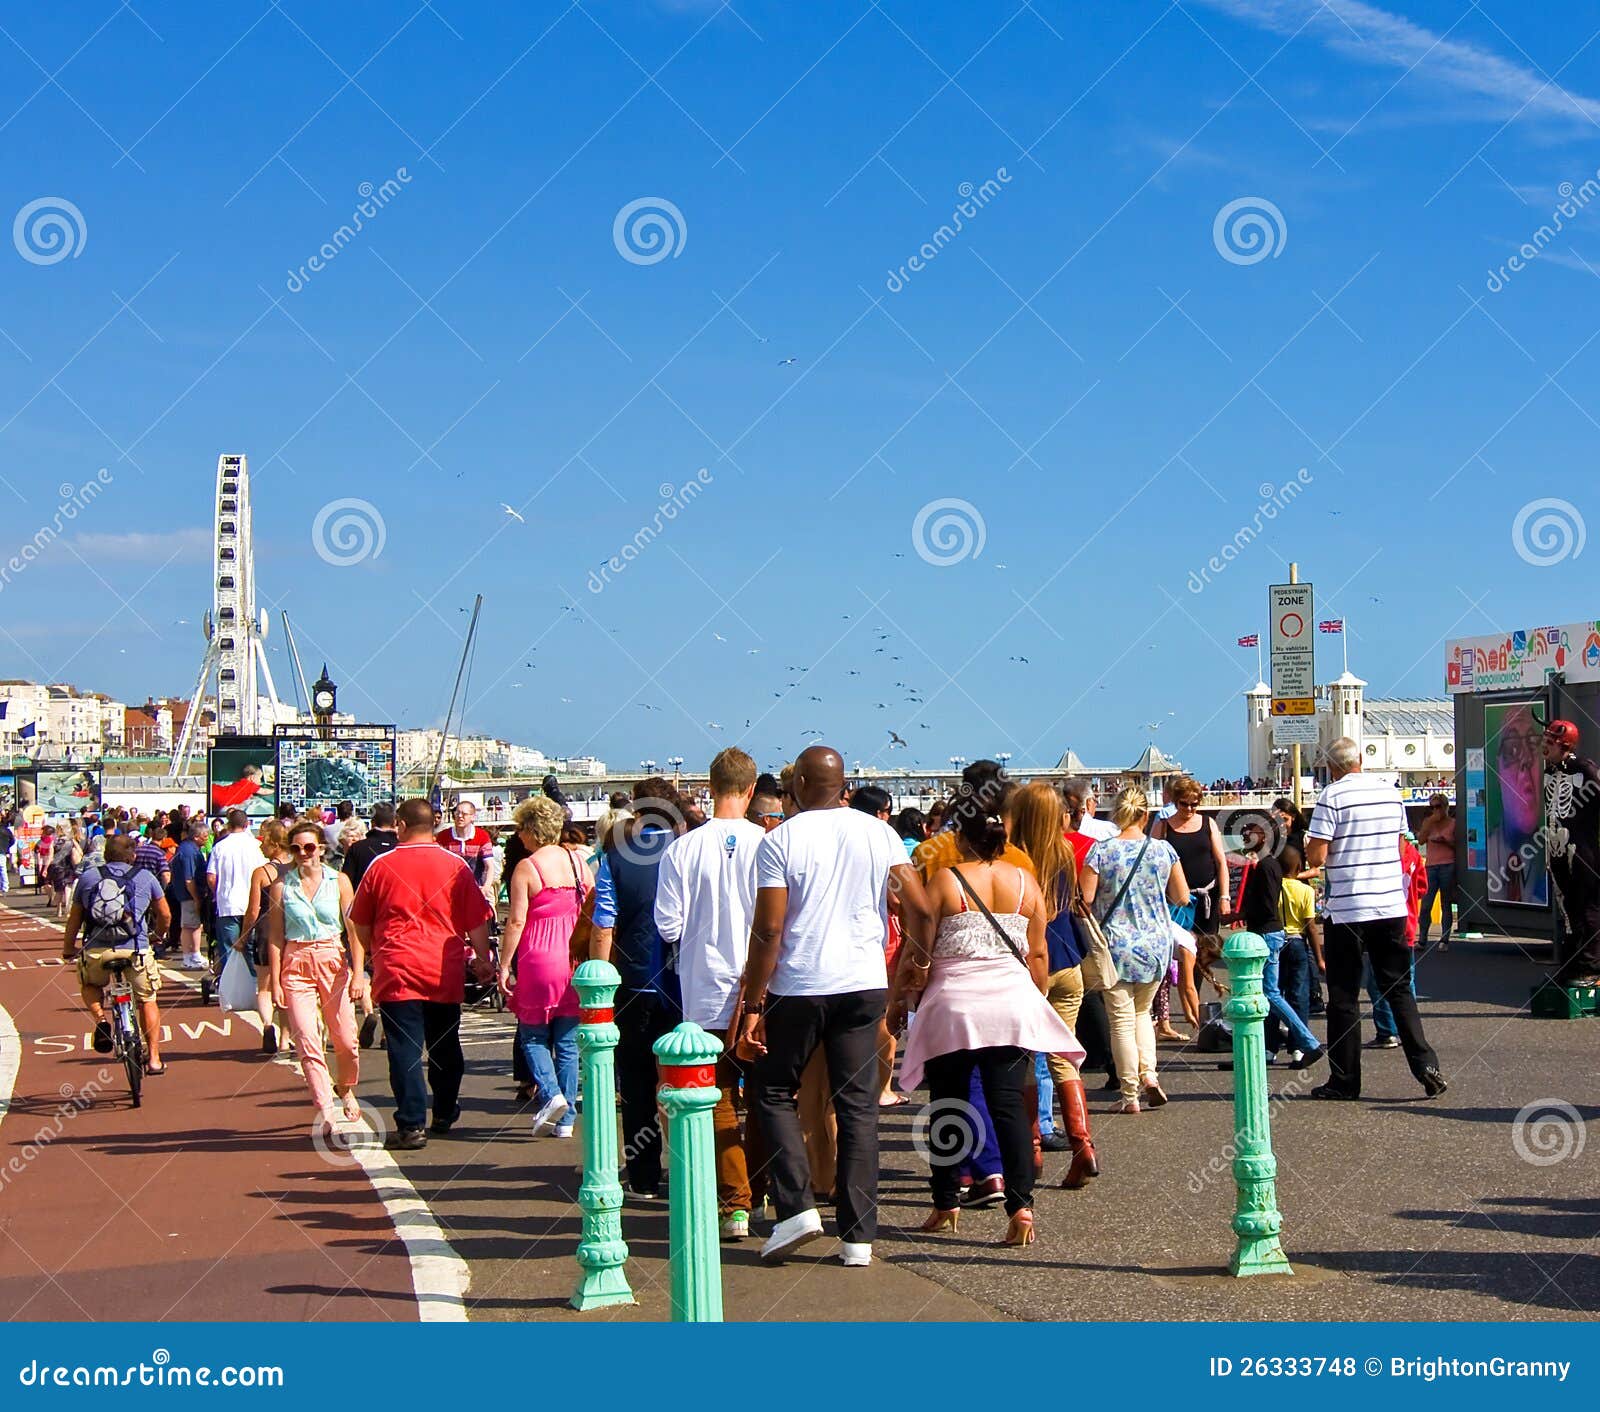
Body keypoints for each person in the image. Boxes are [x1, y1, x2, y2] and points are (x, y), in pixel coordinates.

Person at [738, 745, 932, 1269]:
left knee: (772, 1090)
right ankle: (858, 1237)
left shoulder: (780, 840)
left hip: (799, 985)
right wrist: (914, 965)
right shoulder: (879, 833)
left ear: (799, 784)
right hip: (863, 984)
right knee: (857, 1106)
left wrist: (753, 1003)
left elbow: (769, 929)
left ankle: (796, 1207)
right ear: (843, 785)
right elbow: (918, 907)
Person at [891, 773, 1083, 1247]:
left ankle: (946, 1203)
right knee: (1008, 1106)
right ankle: (1021, 1208)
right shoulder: (1025, 882)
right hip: (1011, 1002)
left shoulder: (946, 880)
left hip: (953, 1005)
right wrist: (1034, 997)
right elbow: (1038, 953)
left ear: (963, 837)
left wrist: (905, 995)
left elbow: (922, 946)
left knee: (948, 1103)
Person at [653, 748, 765, 1240]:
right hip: (761, 986)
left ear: (709, 786)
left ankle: (735, 1200)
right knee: (766, 1095)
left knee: (716, 1094)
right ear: (752, 788)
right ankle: (762, 1190)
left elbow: (668, 925)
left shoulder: (682, 849)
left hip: (704, 986)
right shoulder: (770, 843)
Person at [346, 799, 496, 1149]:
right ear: (434, 824)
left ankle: (412, 1123)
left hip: (398, 967)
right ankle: (443, 1110)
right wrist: (483, 958)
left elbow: (360, 920)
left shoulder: (381, 866)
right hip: (442, 966)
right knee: (445, 1044)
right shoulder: (456, 866)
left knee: (405, 1049)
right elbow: (476, 918)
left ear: (400, 825)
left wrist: (372, 952)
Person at [1305, 737, 1447, 1101]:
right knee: (1398, 989)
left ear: (1331, 767)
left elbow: (1317, 857)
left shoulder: (1331, 796)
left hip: (1348, 909)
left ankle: (1345, 1080)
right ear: (1360, 761)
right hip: (1390, 906)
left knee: (1343, 997)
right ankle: (1425, 1065)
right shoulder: (1390, 793)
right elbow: (1399, 845)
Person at [590, 778, 683, 1198]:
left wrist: (598, 980)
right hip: (683, 983)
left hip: (634, 980)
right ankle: (692, 1167)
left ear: (638, 812)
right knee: (687, 1076)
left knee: (637, 1081)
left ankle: (644, 1175)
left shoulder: (616, 856)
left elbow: (603, 924)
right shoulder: (689, 848)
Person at [1003, 779, 1099, 1190]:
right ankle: (1083, 1146)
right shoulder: (1065, 852)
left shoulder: (1015, 859)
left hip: (1032, 965)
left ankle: (1034, 1152)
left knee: (1025, 1058)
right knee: (1064, 1057)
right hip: (1068, 963)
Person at [1079, 786, 1191, 1113]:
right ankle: (1150, 1075)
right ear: (1145, 815)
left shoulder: (1101, 852)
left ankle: (1130, 1095)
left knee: (1121, 1022)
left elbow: (1085, 900)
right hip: (1155, 944)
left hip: (1115, 946)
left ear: (1116, 813)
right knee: (1144, 1014)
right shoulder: (1163, 850)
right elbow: (1182, 896)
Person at [267, 819, 362, 1132]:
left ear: (321, 849)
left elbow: (354, 931)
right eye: (296, 849)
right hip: (296, 962)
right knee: (307, 1041)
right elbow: (275, 936)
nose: (303, 854)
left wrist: (359, 974)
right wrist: (275, 981)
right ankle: (325, 1110)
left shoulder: (339, 881)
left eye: (309, 847)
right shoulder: (282, 886)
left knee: (346, 1040)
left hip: (333, 959)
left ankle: (345, 1087)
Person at [501, 796, 585, 1138]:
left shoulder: (527, 867)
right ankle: (566, 1121)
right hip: (573, 958)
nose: (518, 834)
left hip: (538, 957)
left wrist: (504, 965)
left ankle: (551, 1095)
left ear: (532, 829)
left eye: (521, 828)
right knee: (567, 1042)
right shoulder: (578, 861)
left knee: (533, 1035)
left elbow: (516, 921)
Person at [60, 834, 170, 1073]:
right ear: (133, 856)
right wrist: (158, 936)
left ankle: (101, 1020)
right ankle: (154, 1059)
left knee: (90, 984)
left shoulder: (88, 878)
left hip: (97, 950)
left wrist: (68, 949)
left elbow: (74, 920)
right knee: (147, 1000)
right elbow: (165, 914)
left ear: (105, 855)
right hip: (135, 949)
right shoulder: (145, 877)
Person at [1232, 817, 1324, 1069]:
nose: (1245, 834)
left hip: (1266, 933)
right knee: (1268, 993)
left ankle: (1307, 1042)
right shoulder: (1267, 865)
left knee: (1270, 993)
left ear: (1265, 836)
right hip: (1270, 933)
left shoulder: (1266, 866)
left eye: (1251, 830)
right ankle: (1266, 1048)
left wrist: (1240, 914)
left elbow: (1267, 905)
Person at [1150, 775, 1229, 1016]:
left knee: (1204, 952)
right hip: (1175, 902)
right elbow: (1150, 862)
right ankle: (1169, 1007)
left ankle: (1194, 1001)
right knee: (1175, 952)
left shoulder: (1208, 824)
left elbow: (1221, 862)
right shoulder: (1164, 826)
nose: (1189, 809)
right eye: (1184, 804)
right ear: (1176, 802)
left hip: (1207, 898)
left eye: (1194, 804)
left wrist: (1225, 897)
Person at [1541, 720, 1600, 986]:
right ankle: (1572, 965)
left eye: (1549, 742)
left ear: (1564, 745)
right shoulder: (1549, 772)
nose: (1544, 746)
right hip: (1556, 849)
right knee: (1567, 910)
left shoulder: (1585, 769)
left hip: (1582, 850)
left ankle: (1592, 967)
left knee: (1588, 909)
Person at [239, 819, 292, 1054]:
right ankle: (285, 1039)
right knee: (287, 986)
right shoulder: (296, 870)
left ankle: (268, 1025)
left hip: (265, 930)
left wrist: (243, 937)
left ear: (274, 845)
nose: (261, 846)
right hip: (290, 930)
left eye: (264, 842)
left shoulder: (261, 873)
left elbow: (253, 910)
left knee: (264, 986)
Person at [207, 809, 264, 992]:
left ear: (229, 825)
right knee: (251, 948)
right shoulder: (257, 846)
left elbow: (211, 877)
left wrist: (218, 893)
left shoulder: (220, 847)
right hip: (252, 903)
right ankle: (255, 986)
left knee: (229, 951)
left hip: (228, 904)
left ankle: (231, 989)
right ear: (247, 825)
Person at [1415, 794, 1456, 951]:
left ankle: (1445, 939)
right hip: (1431, 866)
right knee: (1426, 904)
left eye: (1438, 806)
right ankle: (1422, 939)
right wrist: (1430, 822)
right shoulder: (1429, 822)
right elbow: (1421, 840)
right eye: (1432, 807)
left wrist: (1446, 841)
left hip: (1447, 864)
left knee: (1446, 903)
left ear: (1445, 807)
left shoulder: (1452, 823)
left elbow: (1458, 845)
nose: (1435, 810)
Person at [170, 818, 209, 968]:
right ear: (196, 837)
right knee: (188, 925)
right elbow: (189, 878)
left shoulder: (188, 848)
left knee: (195, 925)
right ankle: (189, 957)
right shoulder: (189, 851)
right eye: (205, 836)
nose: (207, 839)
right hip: (189, 895)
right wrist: (196, 898)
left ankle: (194, 954)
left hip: (188, 894)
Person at [342, 801, 399, 891]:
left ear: (372, 822)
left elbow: (346, 883)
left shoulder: (357, 848)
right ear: (395, 822)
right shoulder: (402, 848)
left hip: (362, 897)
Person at [437, 800, 493, 888]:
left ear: (473, 817)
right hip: (450, 888)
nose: (460, 816)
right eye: (457, 813)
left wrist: (486, 887)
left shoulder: (482, 836)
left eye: (464, 814)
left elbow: (489, 866)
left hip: (476, 888)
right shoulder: (443, 836)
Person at [1066, 778, 1117, 842]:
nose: (1096, 804)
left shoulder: (1057, 832)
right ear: (1089, 803)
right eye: (1095, 800)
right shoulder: (1110, 829)